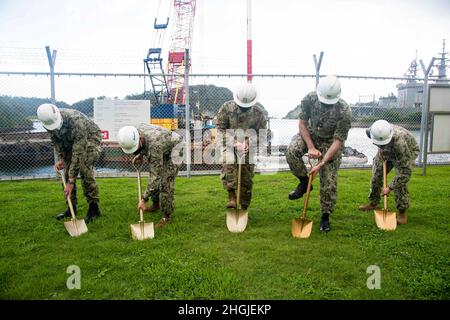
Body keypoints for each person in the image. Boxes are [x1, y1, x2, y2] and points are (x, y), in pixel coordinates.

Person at [285, 75, 351, 232]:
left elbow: (338, 141)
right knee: (291, 152)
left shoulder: (344, 110)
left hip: (331, 142)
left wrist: (321, 164)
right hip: (311, 135)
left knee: (329, 181)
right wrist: (310, 147)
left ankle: (325, 217)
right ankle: (304, 182)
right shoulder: (309, 99)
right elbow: (302, 124)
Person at [36, 103, 102, 223]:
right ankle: (71, 208)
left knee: (84, 168)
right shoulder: (47, 121)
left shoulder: (76, 121)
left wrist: (72, 181)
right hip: (70, 141)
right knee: (65, 172)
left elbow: (78, 152)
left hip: (90, 138)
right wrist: (61, 159)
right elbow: (57, 141)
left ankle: (94, 208)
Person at [117, 124, 182, 228]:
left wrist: (143, 199)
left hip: (176, 148)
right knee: (153, 180)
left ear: (140, 139)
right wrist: (141, 154)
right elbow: (145, 143)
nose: (134, 152)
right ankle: (156, 205)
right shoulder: (133, 131)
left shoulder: (154, 146)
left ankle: (166, 216)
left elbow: (155, 176)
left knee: (165, 182)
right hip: (163, 145)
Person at [216, 83, 267, 210]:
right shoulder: (226, 108)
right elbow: (220, 130)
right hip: (229, 144)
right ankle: (231, 196)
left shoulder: (258, 113)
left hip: (248, 147)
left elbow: (262, 134)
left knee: (246, 178)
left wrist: (248, 143)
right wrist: (234, 143)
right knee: (229, 162)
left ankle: (244, 206)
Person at [358, 120, 419, 224]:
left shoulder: (400, 143)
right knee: (376, 175)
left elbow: (405, 173)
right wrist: (381, 148)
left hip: (408, 150)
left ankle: (402, 211)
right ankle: (373, 202)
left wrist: (389, 188)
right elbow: (378, 141)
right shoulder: (371, 131)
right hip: (386, 149)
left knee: (400, 183)